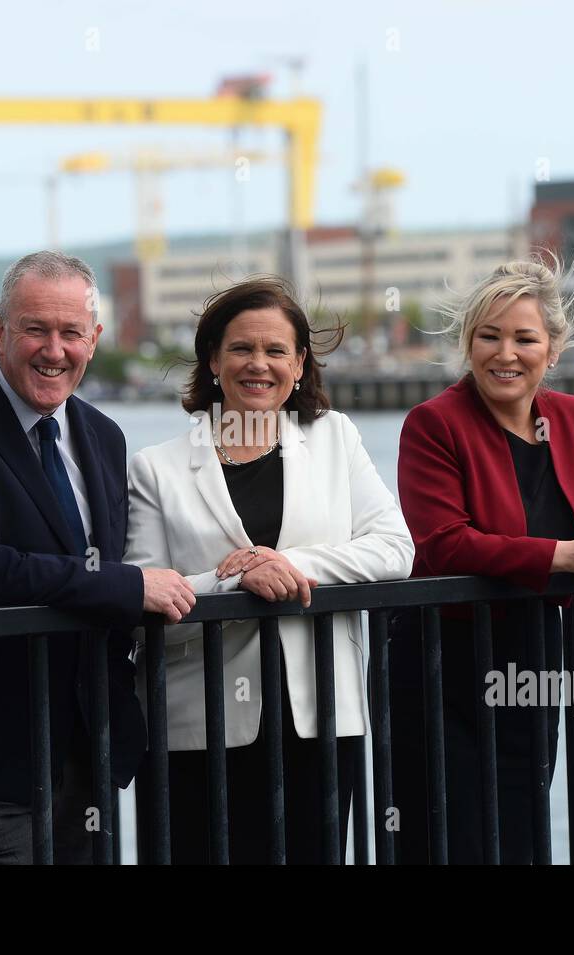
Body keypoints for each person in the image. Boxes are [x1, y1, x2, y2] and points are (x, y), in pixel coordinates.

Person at [0, 251, 195, 864]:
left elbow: (124, 553)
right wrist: (125, 586)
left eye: (71, 333)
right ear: (0, 331)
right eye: (35, 329)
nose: (54, 350)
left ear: (95, 339)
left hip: (88, 739)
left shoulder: (103, 434)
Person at [124, 276, 415, 864]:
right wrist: (231, 582)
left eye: (277, 350)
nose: (259, 364)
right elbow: (140, 609)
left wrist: (288, 566)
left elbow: (394, 549)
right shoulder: (155, 469)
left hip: (321, 722)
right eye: (241, 349)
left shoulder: (334, 438)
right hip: (199, 729)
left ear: (301, 363)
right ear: (212, 360)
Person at [391, 257, 574, 864]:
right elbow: (443, 544)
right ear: (467, 343)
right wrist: (566, 555)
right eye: (489, 335)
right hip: (444, 657)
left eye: (524, 338)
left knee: (524, 824)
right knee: (451, 834)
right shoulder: (433, 425)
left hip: (534, 653)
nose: (506, 353)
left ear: (552, 350)